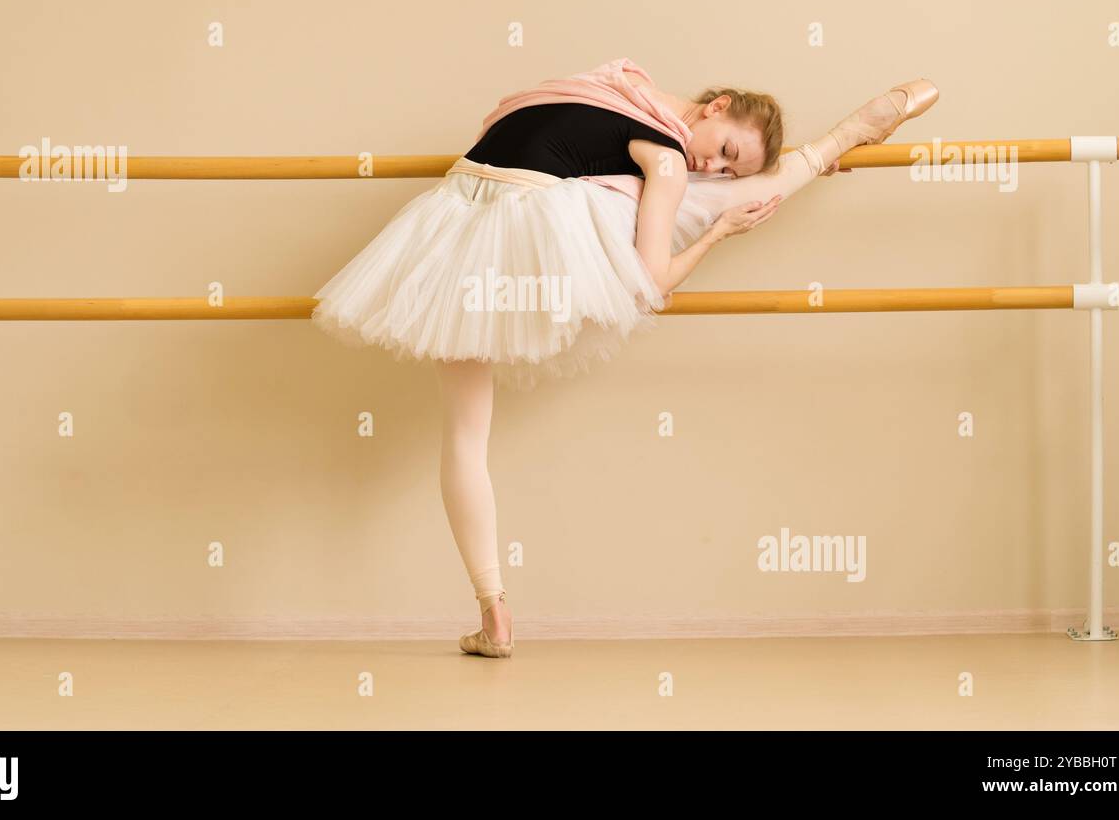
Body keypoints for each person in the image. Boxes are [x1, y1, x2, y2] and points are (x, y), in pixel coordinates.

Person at [311, 59, 938, 658]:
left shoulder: (616, 81)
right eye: (724, 149)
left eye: (727, 166)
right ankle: (840, 140)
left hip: (454, 222)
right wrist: (720, 232)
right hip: (531, 232)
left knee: (466, 431)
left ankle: (492, 609)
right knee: (701, 205)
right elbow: (653, 283)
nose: (712, 163)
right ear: (717, 106)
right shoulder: (667, 159)